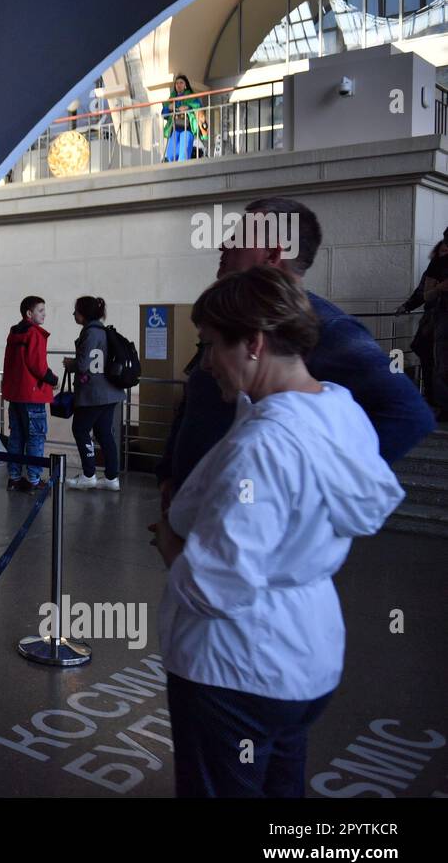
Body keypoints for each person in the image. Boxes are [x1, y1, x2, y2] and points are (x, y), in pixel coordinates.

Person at [150, 266, 403, 797]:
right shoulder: (337, 408)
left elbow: (214, 586)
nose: (205, 363)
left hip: (235, 668)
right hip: (305, 658)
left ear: (254, 343)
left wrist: (170, 540)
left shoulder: (263, 447)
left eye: (211, 344)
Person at [157, 196, 435, 510]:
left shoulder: (329, 328)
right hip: (197, 516)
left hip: (248, 533)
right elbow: (197, 398)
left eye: (235, 239)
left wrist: (310, 497)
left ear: (273, 254)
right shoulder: (233, 318)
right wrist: (169, 476)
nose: (223, 245)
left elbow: (408, 414)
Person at [62, 296, 124, 490]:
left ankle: (89, 474)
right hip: (110, 393)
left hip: (93, 395)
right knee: (104, 433)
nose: (74, 314)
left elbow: (82, 365)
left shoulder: (90, 333)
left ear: (84, 313)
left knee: (80, 430)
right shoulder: (104, 332)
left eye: (76, 311)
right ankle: (112, 477)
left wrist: (69, 363)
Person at [0, 295, 57, 492]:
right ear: (29, 313)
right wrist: (53, 379)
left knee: (16, 436)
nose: (44, 314)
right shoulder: (35, 334)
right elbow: (38, 366)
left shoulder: (14, 332)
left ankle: (14, 478)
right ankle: (34, 479)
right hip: (32, 395)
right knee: (36, 436)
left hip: (15, 393)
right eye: (40, 311)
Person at [396, 238, 448, 418]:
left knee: (436, 360)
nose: (444, 254)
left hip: (438, 318)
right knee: (428, 355)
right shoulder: (434, 269)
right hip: (433, 319)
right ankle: (433, 398)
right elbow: (422, 294)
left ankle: (436, 400)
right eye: (442, 251)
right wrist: (407, 306)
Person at [161, 75, 207, 163]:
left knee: (184, 154)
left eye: (181, 83)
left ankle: (181, 172)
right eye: (177, 83)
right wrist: (169, 108)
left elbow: (199, 107)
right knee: (171, 154)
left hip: (187, 127)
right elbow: (164, 114)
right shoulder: (171, 98)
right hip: (175, 128)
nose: (179, 85)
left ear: (185, 85)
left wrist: (188, 107)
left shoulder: (192, 96)